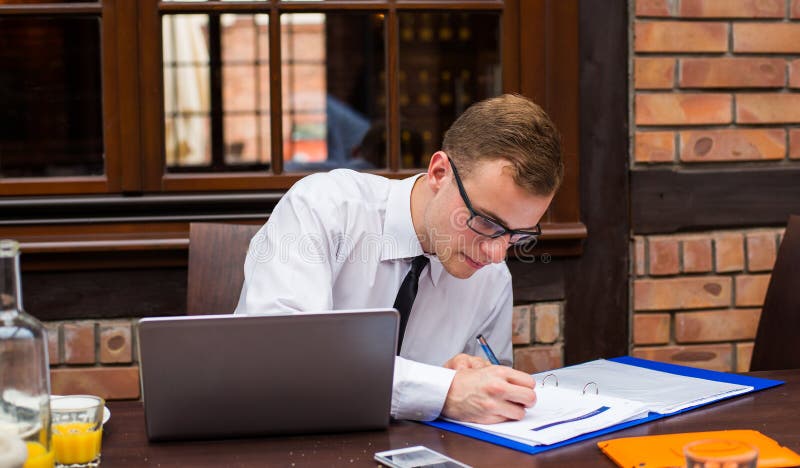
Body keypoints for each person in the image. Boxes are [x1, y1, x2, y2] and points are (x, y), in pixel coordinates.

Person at [234, 93, 563, 424]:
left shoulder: (492, 279)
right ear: (439, 173)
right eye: (486, 222)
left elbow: (488, 404)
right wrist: (441, 390)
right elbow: (282, 357)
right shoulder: (325, 209)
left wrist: (474, 384)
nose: (496, 253)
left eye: (518, 235)